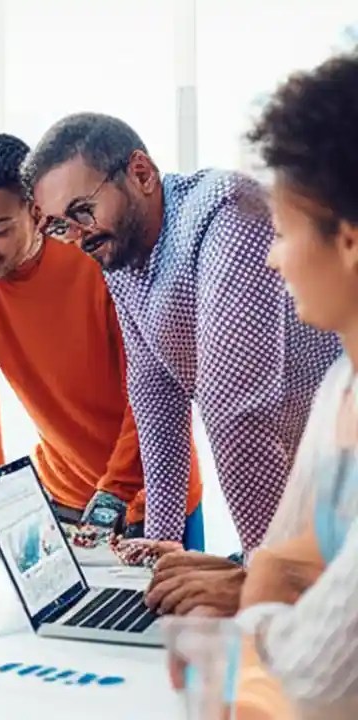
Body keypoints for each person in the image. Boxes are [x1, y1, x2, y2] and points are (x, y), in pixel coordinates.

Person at [23, 112, 342, 615]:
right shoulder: (120, 254)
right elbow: (155, 394)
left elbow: (233, 402)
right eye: (62, 224)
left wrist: (260, 579)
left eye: (83, 210)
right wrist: (164, 543)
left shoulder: (226, 210)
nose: (79, 236)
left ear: (142, 174)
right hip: (310, 491)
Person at [0, 133, 203, 540]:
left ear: (37, 211)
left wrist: (118, 490)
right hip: (59, 496)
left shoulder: (98, 254)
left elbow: (155, 385)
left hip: (152, 492)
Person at [229, 47, 358, 715]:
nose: (273, 260)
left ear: (349, 240)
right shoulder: (340, 385)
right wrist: (264, 580)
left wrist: (260, 602)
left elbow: (314, 675)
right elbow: (279, 560)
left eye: (282, 232)